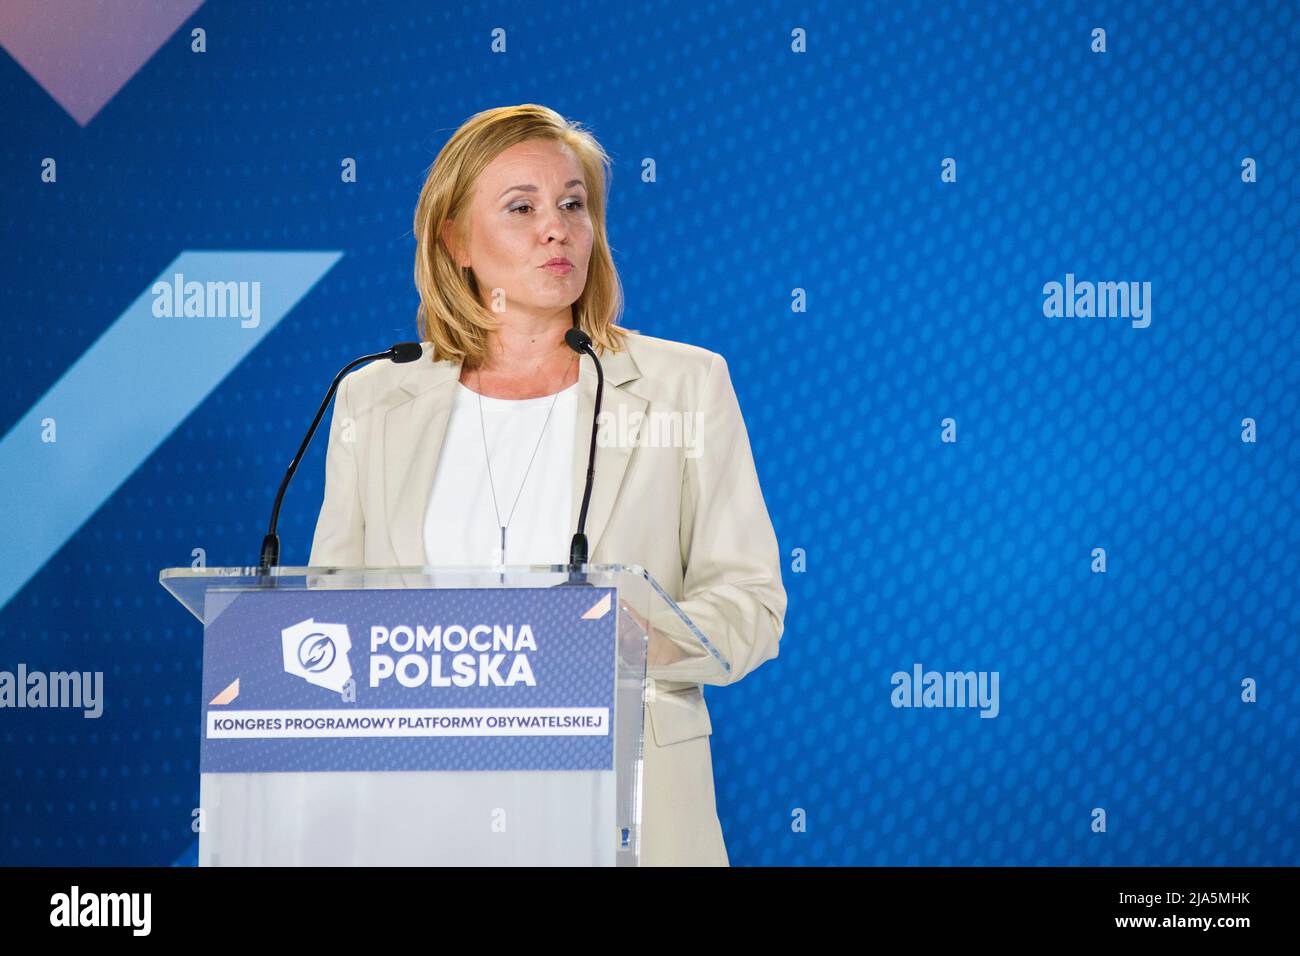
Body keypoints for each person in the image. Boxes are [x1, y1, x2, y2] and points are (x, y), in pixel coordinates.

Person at [307, 104, 786, 866]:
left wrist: (629, 644)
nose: (555, 228)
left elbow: (751, 607)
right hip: (422, 814)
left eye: (573, 204)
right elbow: (334, 611)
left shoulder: (683, 385)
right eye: (520, 208)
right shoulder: (376, 399)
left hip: (623, 809)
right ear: (455, 240)